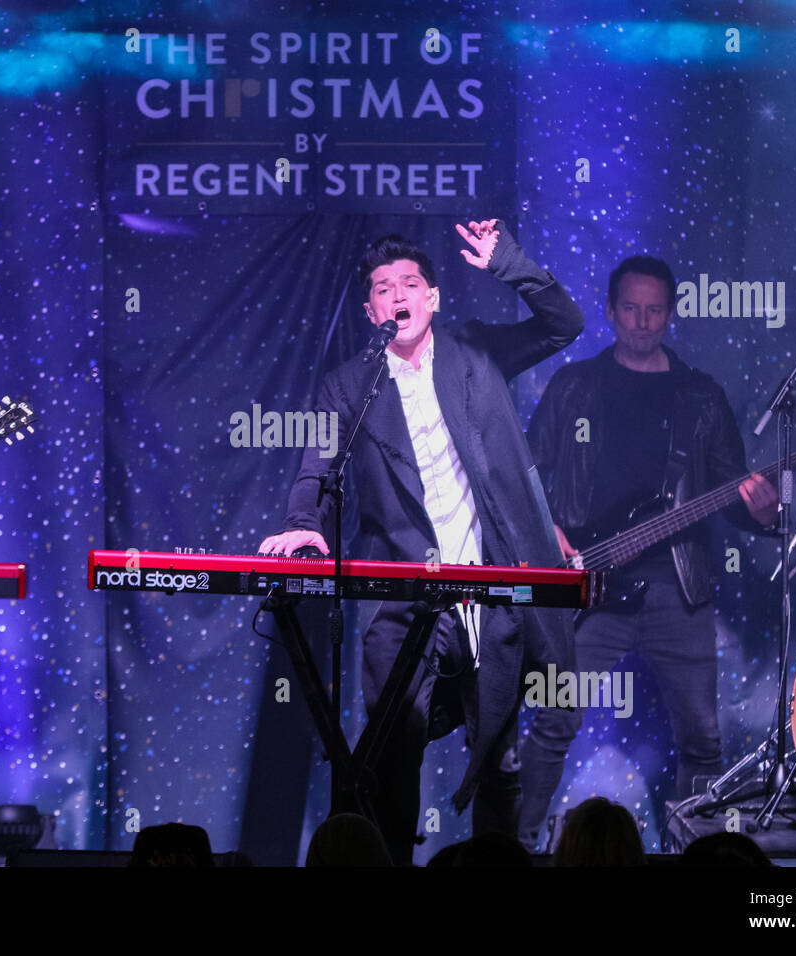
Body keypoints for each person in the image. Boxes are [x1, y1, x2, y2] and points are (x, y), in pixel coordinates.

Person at [259, 221, 584, 864]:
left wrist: (510, 262)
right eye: (385, 288)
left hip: (489, 585)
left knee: (500, 754)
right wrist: (303, 523)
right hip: (404, 592)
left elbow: (561, 324)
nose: (399, 295)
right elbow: (318, 470)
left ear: (433, 298)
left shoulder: (476, 355)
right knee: (389, 748)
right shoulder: (348, 385)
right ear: (370, 309)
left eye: (411, 283)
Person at [517, 255, 778, 850]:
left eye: (654, 309)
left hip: (677, 590)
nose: (641, 321)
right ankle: (516, 850)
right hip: (587, 589)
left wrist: (762, 514)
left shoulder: (700, 396)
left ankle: (698, 858)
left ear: (671, 314)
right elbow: (526, 474)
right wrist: (546, 530)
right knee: (554, 723)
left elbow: (731, 488)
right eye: (630, 308)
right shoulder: (572, 386)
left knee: (703, 741)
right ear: (610, 312)